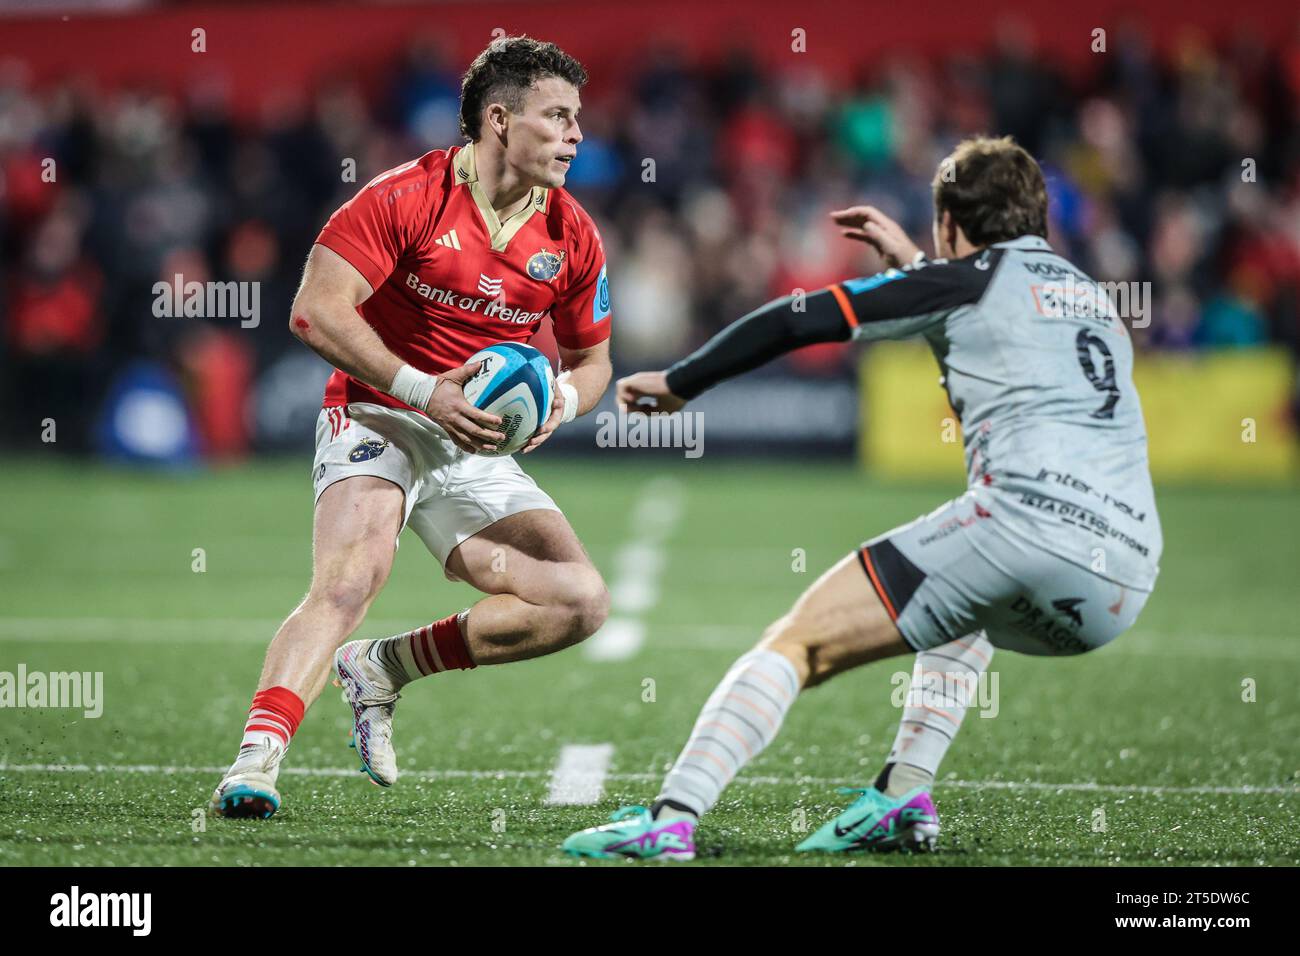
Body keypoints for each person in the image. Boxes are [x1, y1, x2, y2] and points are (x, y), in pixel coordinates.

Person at [562, 136, 1161, 859]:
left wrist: (678, 382)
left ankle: (672, 817)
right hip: (1126, 577)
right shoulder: (1093, 300)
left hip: (1026, 530)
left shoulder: (962, 282)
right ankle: (904, 795)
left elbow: (798, 317)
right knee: (964, 605)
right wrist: (919, 266)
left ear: (948, 223)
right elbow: (994, 305)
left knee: (796, 644)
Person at [211, 36, 613, 818]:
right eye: (558, 117)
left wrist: (560, 404)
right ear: (500, 120)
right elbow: (314, 309)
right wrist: (423, 391)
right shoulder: (406, 196)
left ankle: (383, 668)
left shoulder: (572, 233)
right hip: (380, 411)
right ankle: (255, 762)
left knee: (578, 601)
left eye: (576, 118)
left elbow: (593, 363)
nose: (576, 135)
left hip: (473, 440)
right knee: (350, 578)